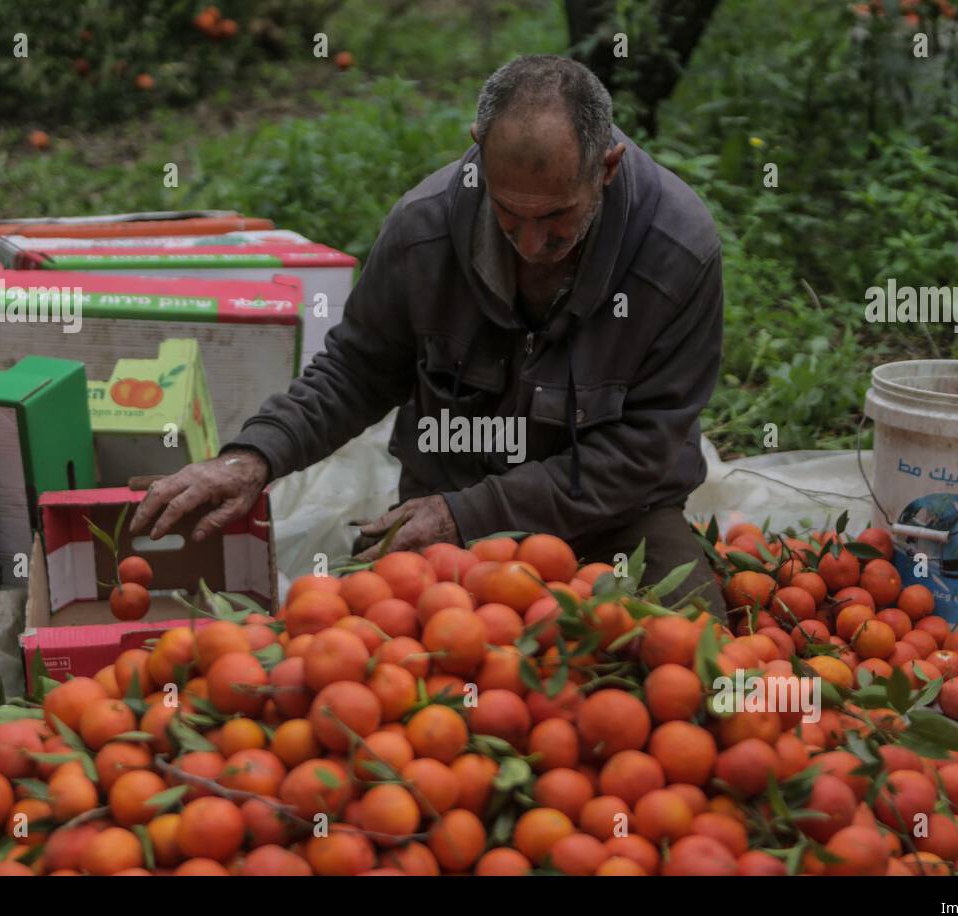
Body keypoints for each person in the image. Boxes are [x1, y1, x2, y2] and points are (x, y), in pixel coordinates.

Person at [130, 54, 726, 617]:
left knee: (688, 653)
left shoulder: (675, 253)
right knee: (353, 664)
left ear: (607, 167)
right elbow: (356, 371)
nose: (530, 245)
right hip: (444, 511)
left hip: (614, 517)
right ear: (479, 151)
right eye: (509, 215)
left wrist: (471, 513)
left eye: (556, 220)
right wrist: (254, 457)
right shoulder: (424, 231)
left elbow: (641, 450)